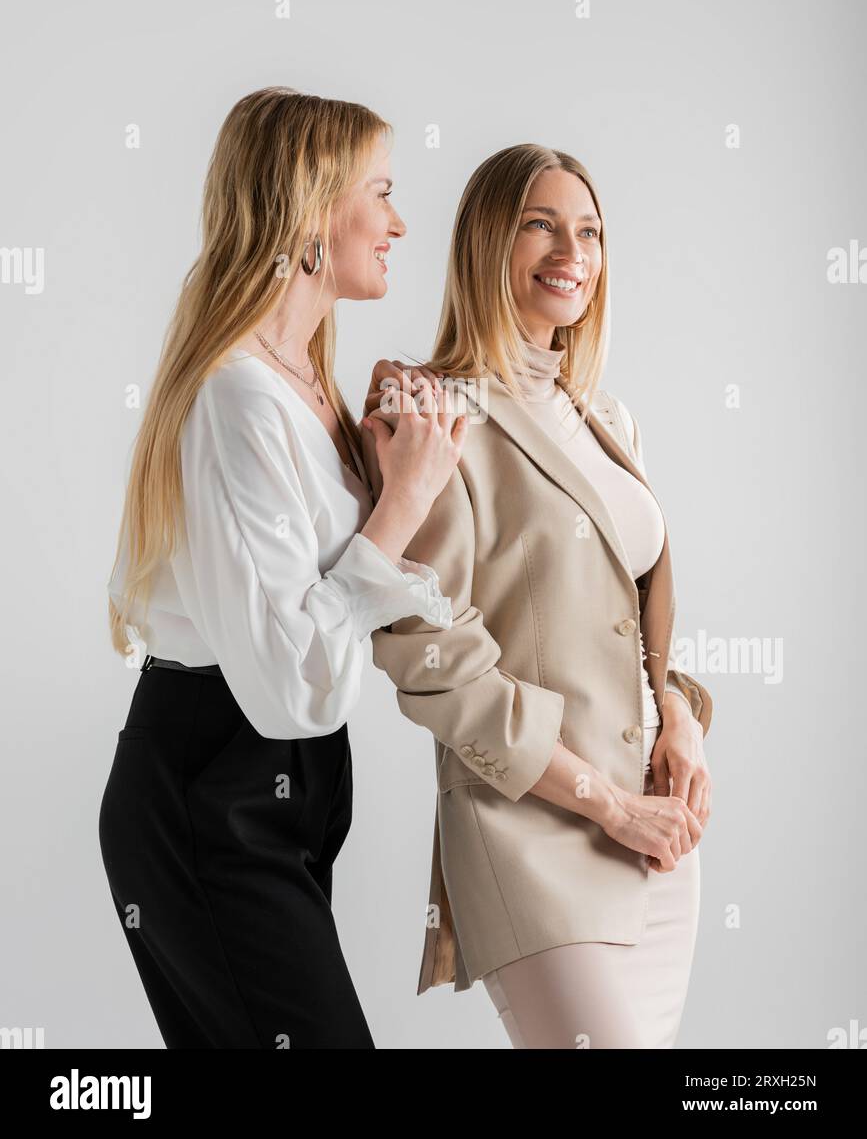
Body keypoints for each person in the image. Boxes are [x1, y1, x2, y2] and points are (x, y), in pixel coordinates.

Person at [99, 86, 466, 1049]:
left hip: (277, 789)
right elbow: (289, 690)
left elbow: (332, 615)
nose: (396, 222)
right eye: (378, 192)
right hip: (217, 785)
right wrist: (399, 508)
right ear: (309, 208)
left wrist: (392, 472)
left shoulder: (302, 380)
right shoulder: (238, 399)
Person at [363, 143, 713, 1048]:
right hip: (535, 831)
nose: (573, 251)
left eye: (589, 231)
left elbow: (629, 618)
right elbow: (433, 663)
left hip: (657, 837)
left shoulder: (609, 418)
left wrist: (679, 715)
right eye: (541, 225)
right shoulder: (432, 413)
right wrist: (607, 803)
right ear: (488, 242)